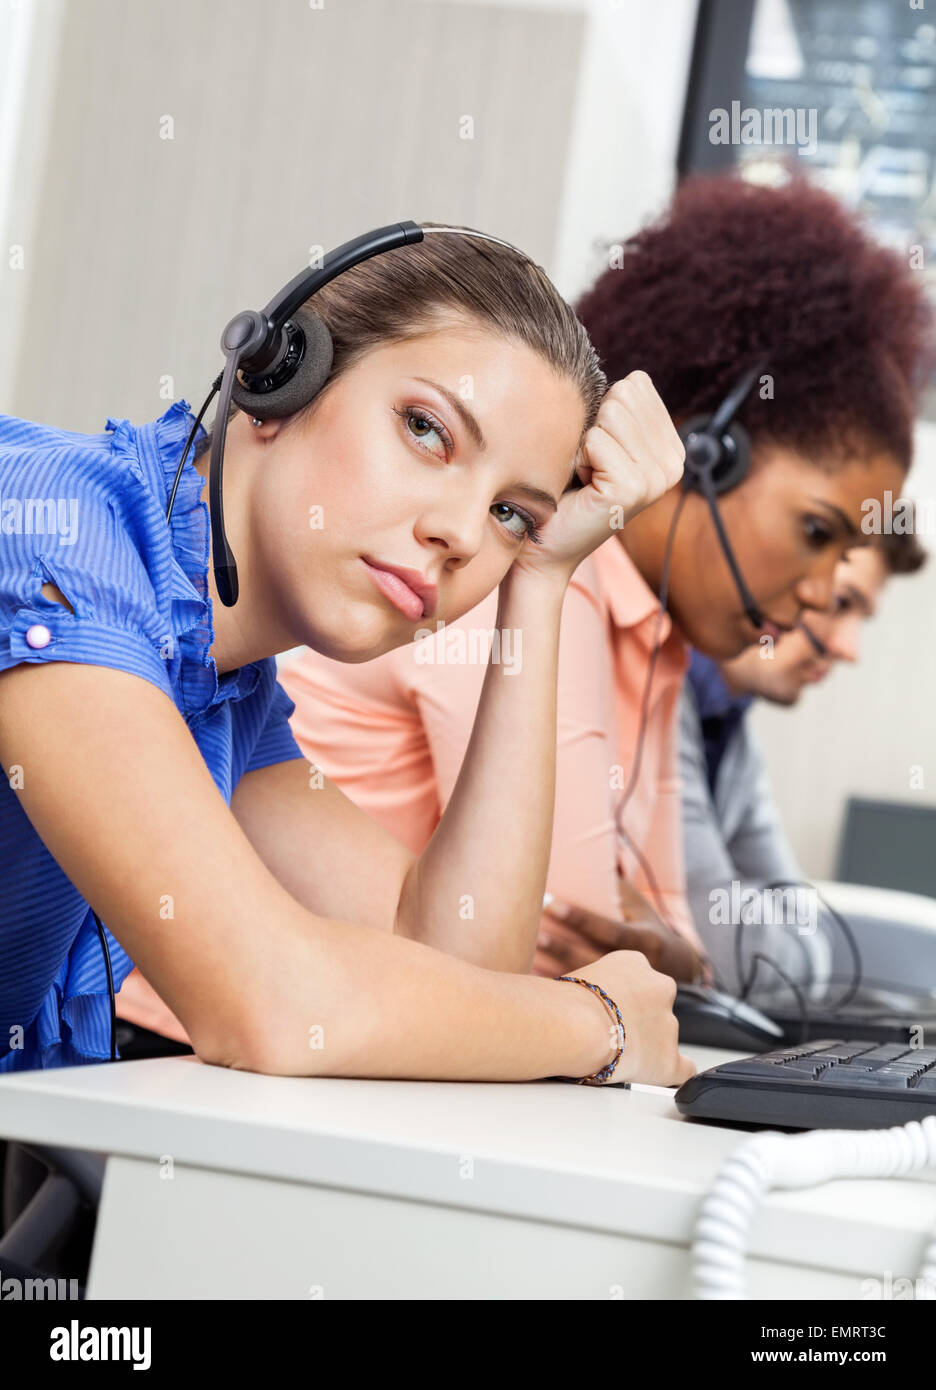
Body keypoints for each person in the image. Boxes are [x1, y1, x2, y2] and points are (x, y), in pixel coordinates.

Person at [0, 221, 694, 1087]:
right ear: (280, 375)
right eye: (428, 431)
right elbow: (277, 1009)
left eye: (511, 513)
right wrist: (602, 1020)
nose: (458, 534)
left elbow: (452, 947)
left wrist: (546, 576)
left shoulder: (224, 689)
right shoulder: (57, 540)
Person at [267, 176, 932, 987]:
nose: (827, 588)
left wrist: (658, 958)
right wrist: (647, 962)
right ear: (706, 456)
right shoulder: (518, 585)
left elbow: (667, 953)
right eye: (819, 532)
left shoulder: (658, 644)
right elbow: (557, 964)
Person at [681, 526, 928, 993]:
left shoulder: (736, 738)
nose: (849, 649)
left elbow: (813, 938)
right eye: (840, 604)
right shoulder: (655, 693)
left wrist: (744, 917)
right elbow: (723, 948)